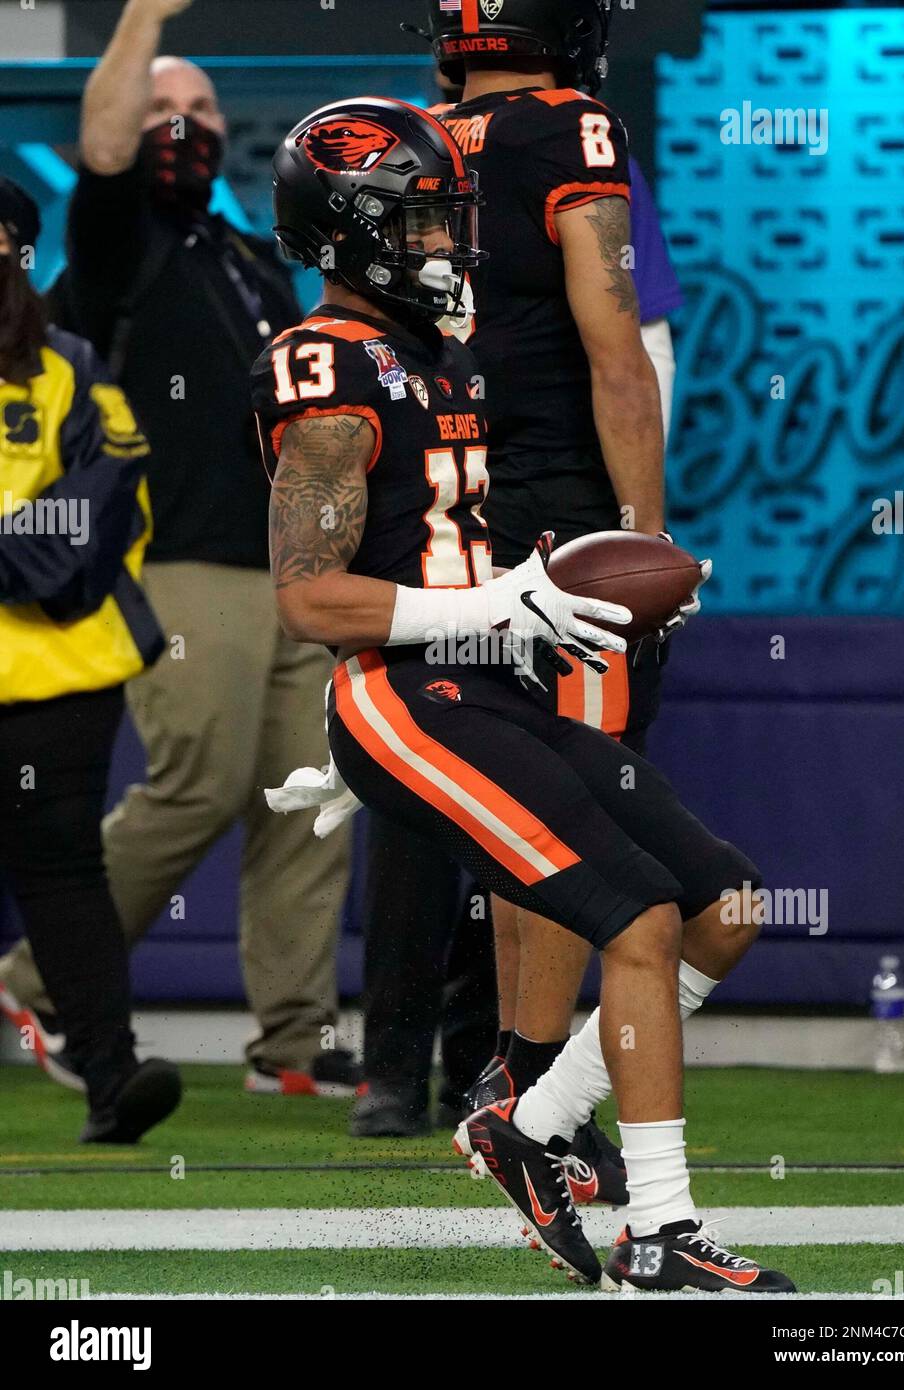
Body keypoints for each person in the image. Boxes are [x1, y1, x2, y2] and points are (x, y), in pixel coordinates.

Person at [251, 95, 793, 1293]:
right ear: (356, 232)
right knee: (641, 919)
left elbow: (445, 553)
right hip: (412, 696)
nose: (453, 243)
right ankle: (659, 1233)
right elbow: (308, 596)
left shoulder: (442, 361)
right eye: (429, 220)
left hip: (485, 688)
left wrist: (588, 589)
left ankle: (529, 1122)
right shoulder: (323, 363)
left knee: (730, 905)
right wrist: (486, 618)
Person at [0, 0, 354, 1097]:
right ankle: (42, 981)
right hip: (176, 559)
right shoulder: (114, 243)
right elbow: (105, 149)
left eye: (202, 108)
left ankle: (291, 1042)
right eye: (164, 107)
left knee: (311, 795)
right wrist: (142, 23)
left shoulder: (247, 255)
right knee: (198, 782)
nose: (184, 124)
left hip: (288, 563)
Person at [0, 176, 181, 1143]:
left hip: (59, 674)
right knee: (65, 874)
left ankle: (112, 1079)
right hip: (53, 655)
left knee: (63, 873)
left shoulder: (70, 371)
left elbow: (95, 528)